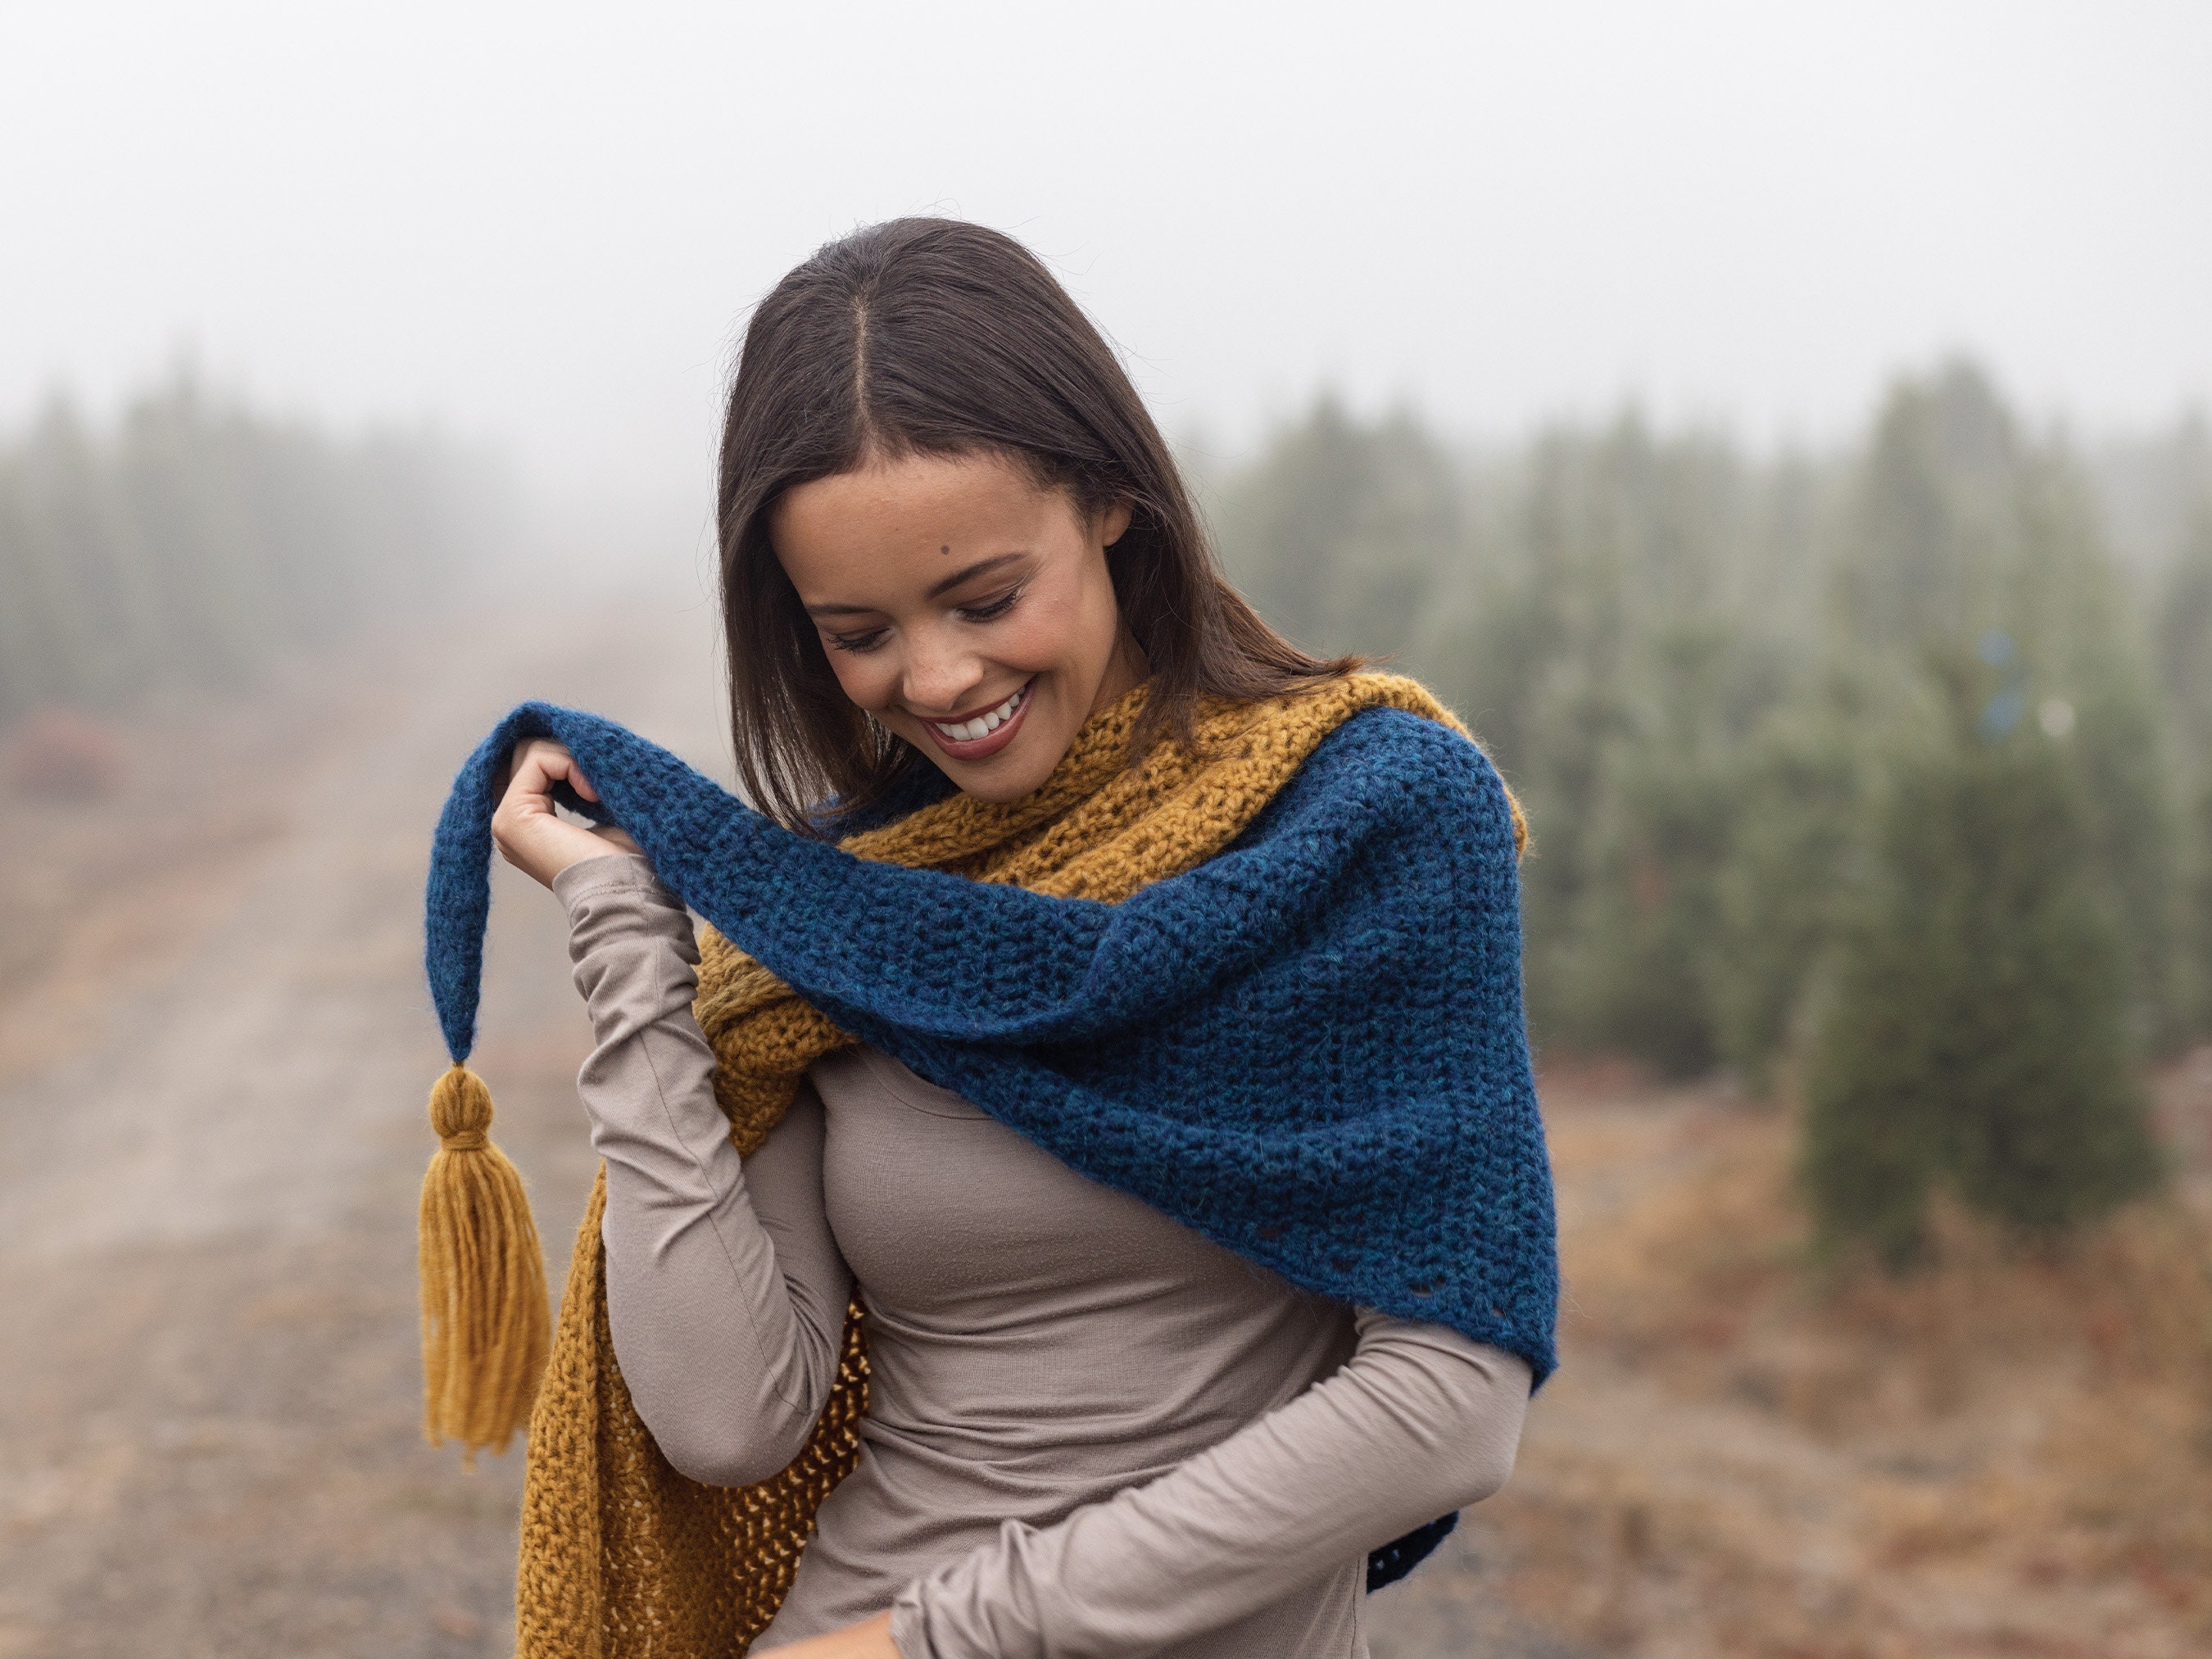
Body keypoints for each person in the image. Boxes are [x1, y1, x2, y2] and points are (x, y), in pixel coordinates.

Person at [480, 218, 1548, 1659]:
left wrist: (942, 1638)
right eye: (859, 631)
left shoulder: (1372, 823)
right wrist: (626, 945)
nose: (938, 677)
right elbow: (732, 1416)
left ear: (1111, 499)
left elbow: (1449, 1404)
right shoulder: (844, 914)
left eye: (986, 598)